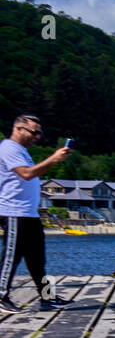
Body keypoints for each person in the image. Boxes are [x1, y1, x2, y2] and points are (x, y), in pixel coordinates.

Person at [0, 115, 72, 313]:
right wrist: (54, 159)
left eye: (40, 132)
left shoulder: (21, 151)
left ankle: (47, 297)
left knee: (37, 259)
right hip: (14, 211)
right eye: (34, 132)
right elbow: (27, 173)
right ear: (18, 129)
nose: (38, 136)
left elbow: (24, 178)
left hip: (28, 213)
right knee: (11, 257)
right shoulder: (8, 148)